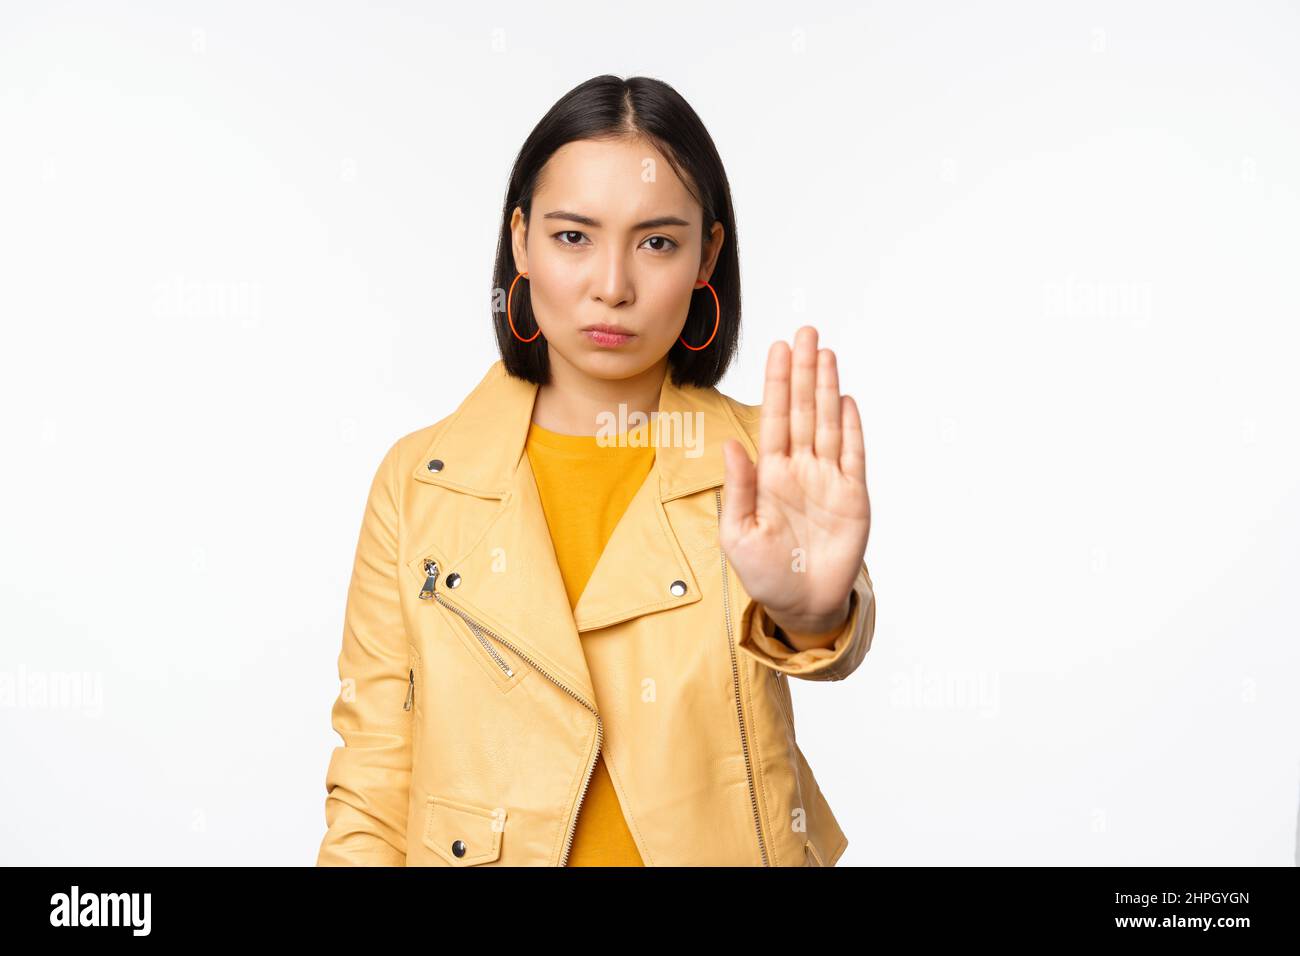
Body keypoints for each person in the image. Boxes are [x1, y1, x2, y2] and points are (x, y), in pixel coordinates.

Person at [316, 74, 876, 867]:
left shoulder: (763, 461)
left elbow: (837, 625)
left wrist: (814, 614)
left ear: (707, 255)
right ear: (520, 241)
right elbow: (373, 782)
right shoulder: (418, 483)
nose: (612, 287)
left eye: (657, 242)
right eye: (573, 237)